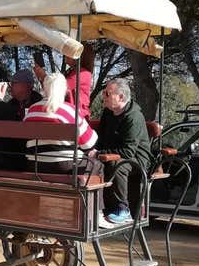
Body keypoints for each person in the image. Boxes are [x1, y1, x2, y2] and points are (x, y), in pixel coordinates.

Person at [88, 78, 153, 224]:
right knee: (91, 163)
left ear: (121, 97)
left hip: (137, 159)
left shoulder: (133, 117)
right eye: (104, 92)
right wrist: (93, 150)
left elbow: (128, 152)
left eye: (107, 93)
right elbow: (101, 138)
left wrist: (99, 154)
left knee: (118, 165)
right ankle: (98, 208)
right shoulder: (108, 112)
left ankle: (123, 209)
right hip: (113, 154)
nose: (103, 96)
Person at [23, 73, 97, 173]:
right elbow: (89, 143)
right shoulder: (70, 110)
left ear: (44, 88)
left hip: (34, 165)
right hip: (66, 166)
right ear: (65, 90)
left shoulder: (32, 110)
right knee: (98, 166)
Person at [35, 46, 94, 120]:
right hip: (70, 115)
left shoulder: (82, 73)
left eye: (70, 51)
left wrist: (43, 76)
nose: (65, 54)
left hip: (78, 117)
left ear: (79, 56)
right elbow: (52, 91)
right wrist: (42, 78)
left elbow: (58, 88)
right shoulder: (72, 72)